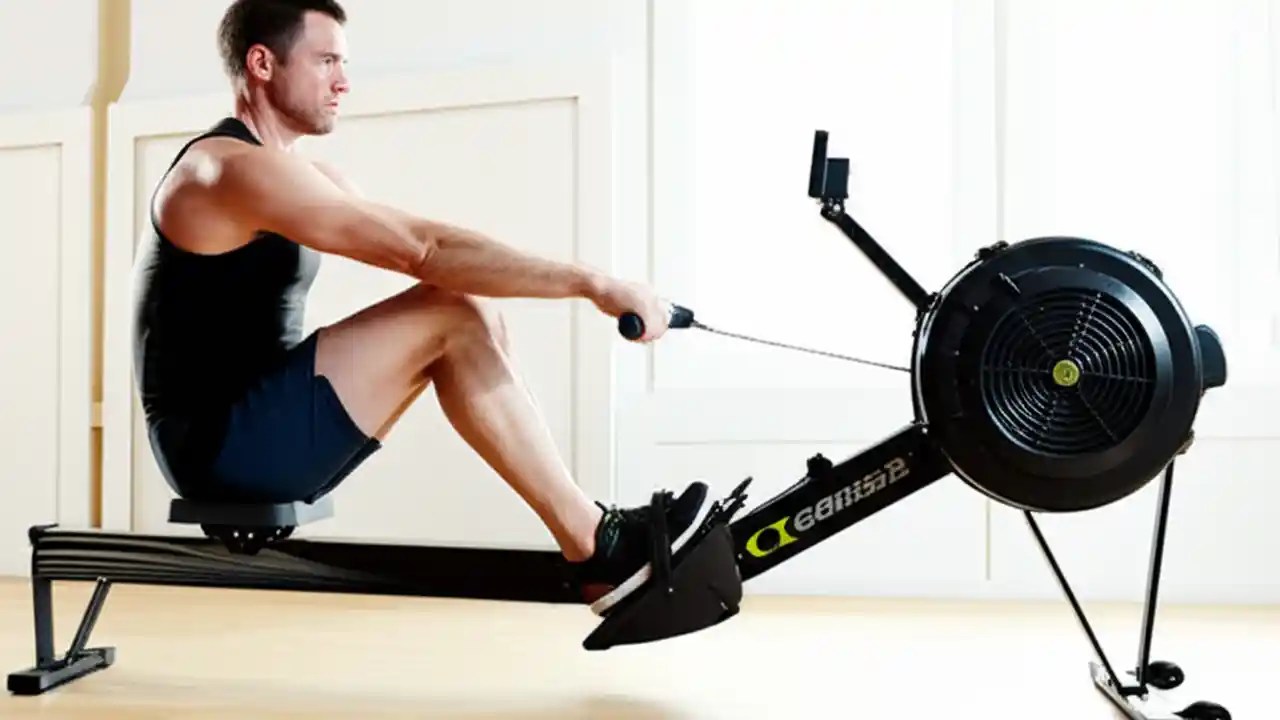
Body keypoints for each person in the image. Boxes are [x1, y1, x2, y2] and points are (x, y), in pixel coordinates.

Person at [130, 0, 710, 616]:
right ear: (262, 63)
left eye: (343, 63)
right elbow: (422, 252)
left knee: (471, 312)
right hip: (218, 446)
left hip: (259, 420)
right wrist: (594, 284)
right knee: (453, 311)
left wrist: (589, 282)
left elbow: (423, 239)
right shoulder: (224, 170)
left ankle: (592, 529)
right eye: (326, 60)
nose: (343, 81)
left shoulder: (297, 174)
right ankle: (597, 545)